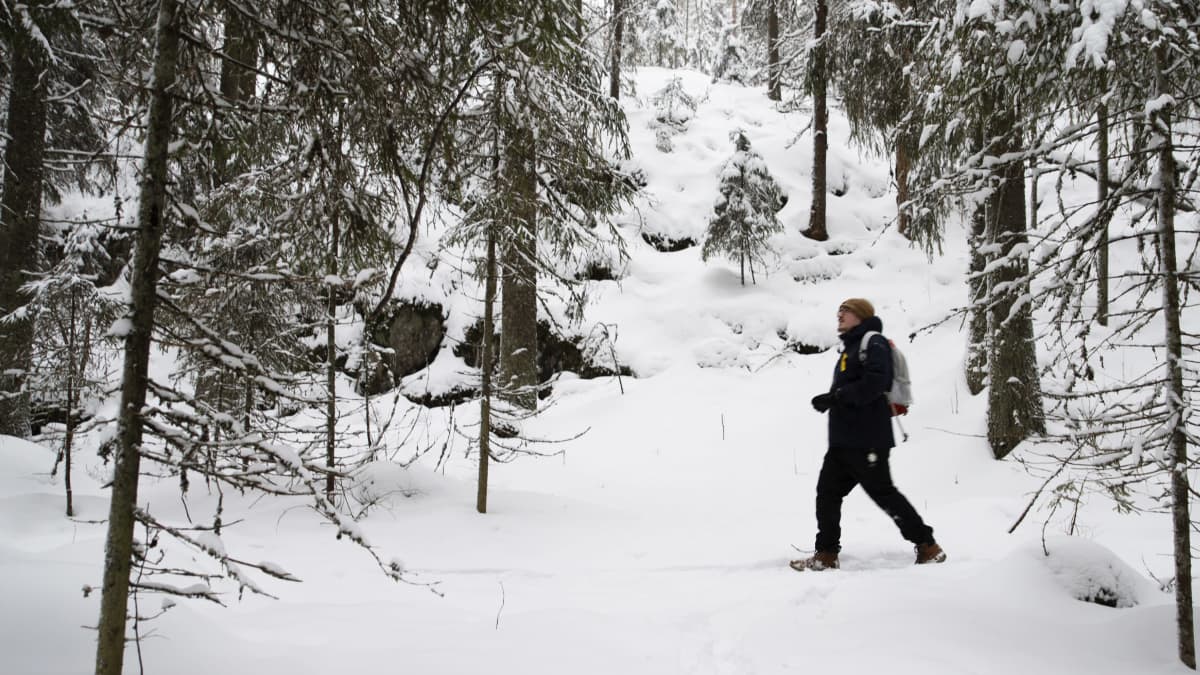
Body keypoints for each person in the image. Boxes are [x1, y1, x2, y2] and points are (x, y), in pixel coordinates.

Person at [790, 298, 946, 571]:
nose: (839, 315)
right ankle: (826, 554)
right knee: (827, 494)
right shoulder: (851, 347)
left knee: (884, 494)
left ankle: (927, 545)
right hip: (844, 442)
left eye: (846, 311)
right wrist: (833, 399)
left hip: (867, 440)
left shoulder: (874, 342)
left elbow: (877, 381)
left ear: (861, 316)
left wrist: (836, 397)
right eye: (838, 310)